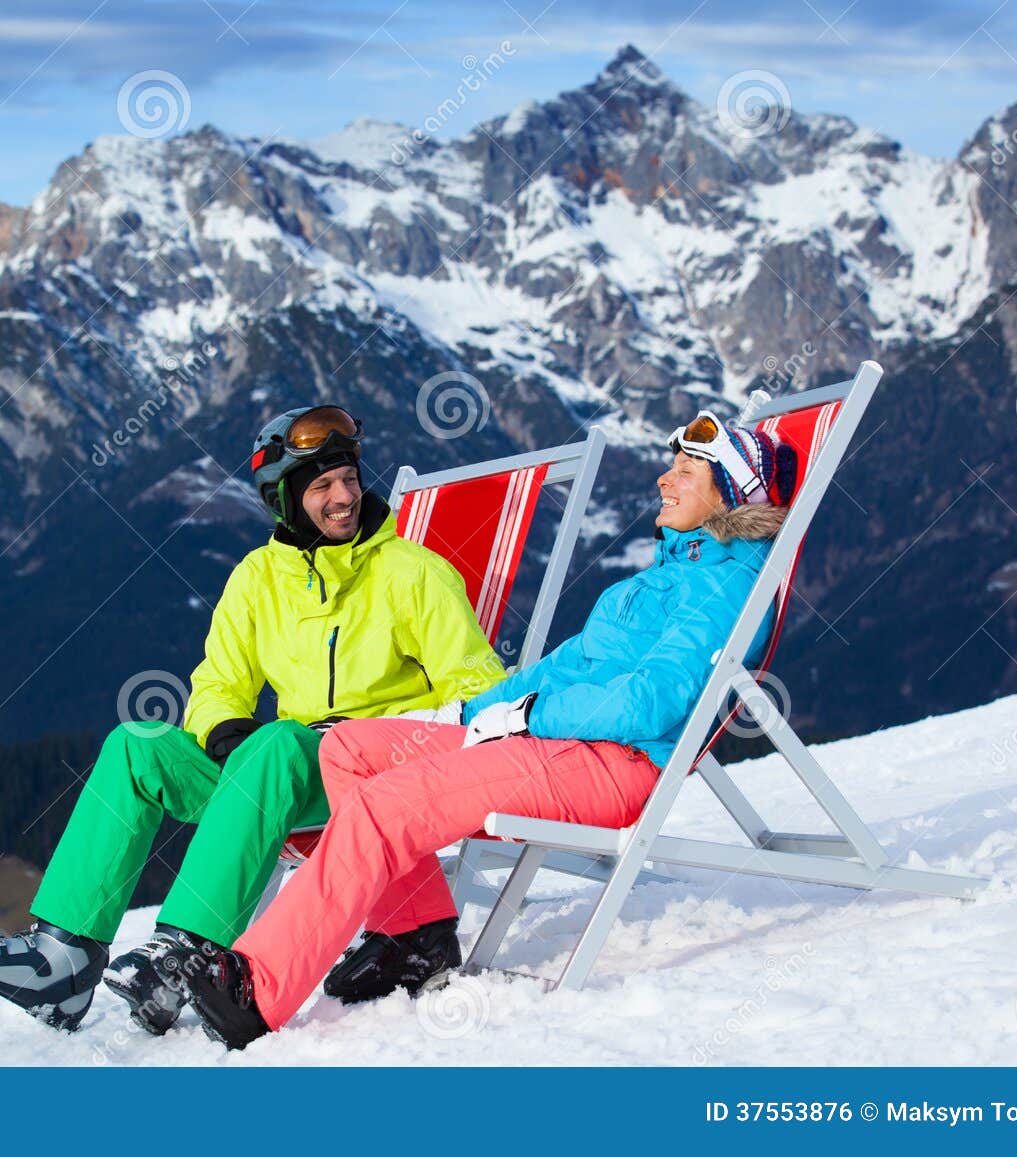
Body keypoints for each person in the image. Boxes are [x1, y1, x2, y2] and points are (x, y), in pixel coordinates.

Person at [168, 411, 800, 1048]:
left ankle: (259, 987)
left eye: (686, 472)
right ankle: (414, 936)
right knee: (352, 748)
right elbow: (559, 667)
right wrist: (467, 715)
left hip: (613, 761)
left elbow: (648, 705)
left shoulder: (726, 590)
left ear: (728, 496)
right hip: (555, 740)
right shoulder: (664, 574)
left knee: (392, 803)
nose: (665, 479)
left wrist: (528, 717)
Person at [0, 405, 501, 1033]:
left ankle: (187, 952)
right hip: (274, 774)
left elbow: (478, 697)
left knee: (280, 743)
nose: (343, 497)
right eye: (321, 486)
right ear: (285, 500)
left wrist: (367, 741)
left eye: (348, 478)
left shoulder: (414, 574)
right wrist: (221, 730)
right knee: (137, 744)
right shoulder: (258, 579)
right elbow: (218, 684)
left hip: (368, 776)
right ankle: (64, 960)